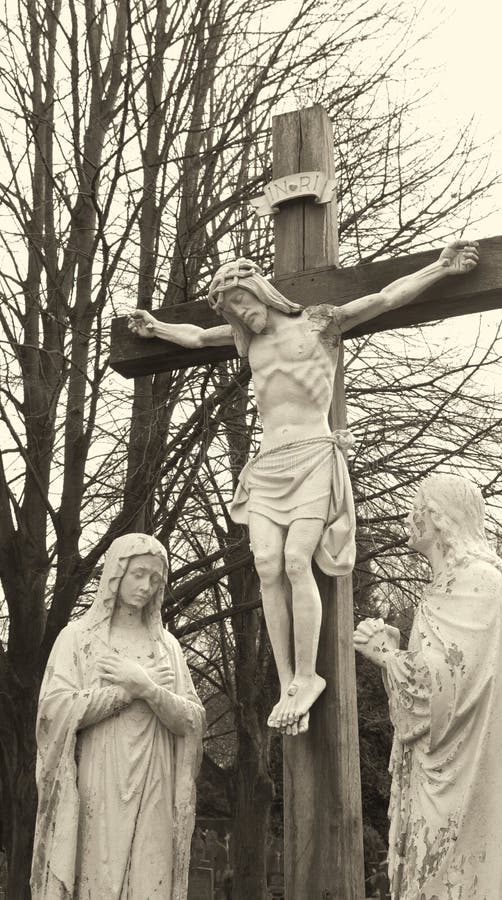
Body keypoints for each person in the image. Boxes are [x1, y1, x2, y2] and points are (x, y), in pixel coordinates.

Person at [128, 243, 479, 734]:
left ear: (261, 292)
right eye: (233, 313)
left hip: (315, 453)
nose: (242, 317)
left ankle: (309, 674)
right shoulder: (245, 342)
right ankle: (290, 677)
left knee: (297, 562)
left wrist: (442, 267)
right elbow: (195, 338)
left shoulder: (320, 321)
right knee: (268, 566)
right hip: (268, 463)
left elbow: (385, 298)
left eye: (244, 305)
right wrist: (156, 328)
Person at [354, 474, 502, 900]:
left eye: (420, 506)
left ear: (441, 517)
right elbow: (438, 675)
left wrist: (386, 655)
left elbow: (439, 694)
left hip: (462, 786)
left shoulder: (478, 583)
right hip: (437, 781)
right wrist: (398, 652)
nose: (411, 516)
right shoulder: (443, 590)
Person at [30, 533, 206, 900]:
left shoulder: (167, 646)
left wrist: (149, 690)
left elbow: (193, 720)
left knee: (150, 880)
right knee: (96, 880)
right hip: (100, 782)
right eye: (138, 574)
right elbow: (53, 713)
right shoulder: (78, 639)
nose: (146, 586)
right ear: (116, 573)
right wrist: (123, 693)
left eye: (155, 579)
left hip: (155, 783)